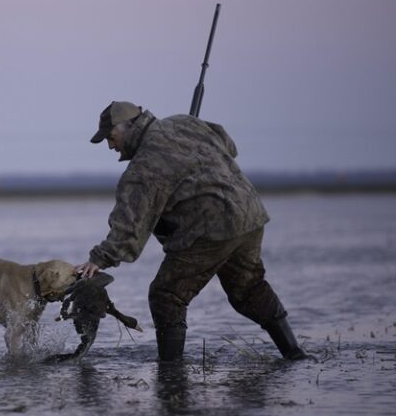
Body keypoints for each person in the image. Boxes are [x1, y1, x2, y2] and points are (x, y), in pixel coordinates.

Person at [76, 101, 308, 361]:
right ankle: (295, 353)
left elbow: (129, 227)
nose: (110, 145)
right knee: (249, 288)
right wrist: (188, 151)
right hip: (249, 215)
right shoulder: (186, 123)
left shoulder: (144, 166)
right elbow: (229, 146)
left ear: (128, 127)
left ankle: (171, 373)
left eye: (110, 137)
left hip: (211, 229)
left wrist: (99, 259)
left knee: (166, 295)